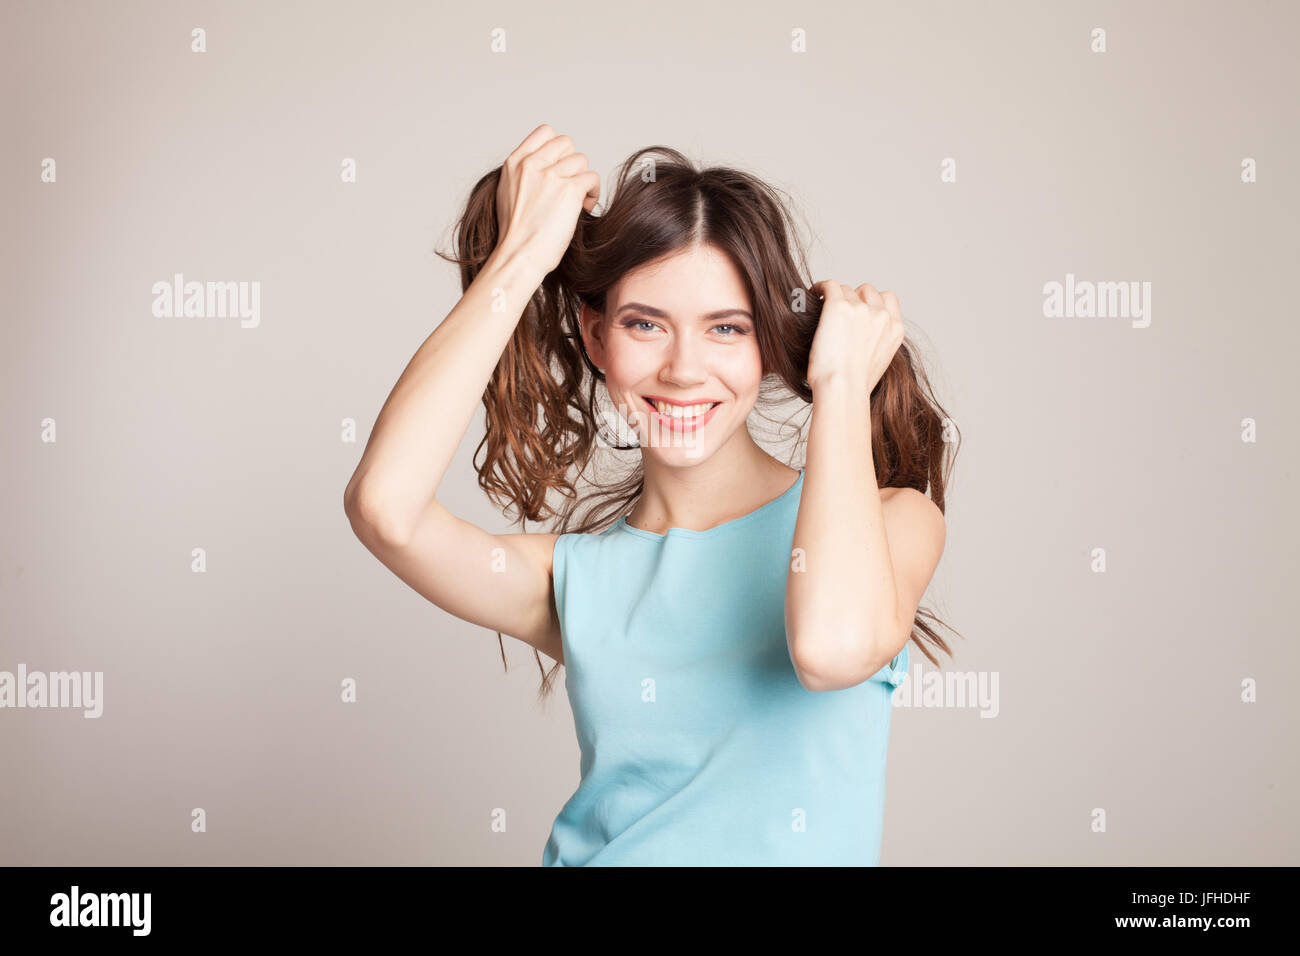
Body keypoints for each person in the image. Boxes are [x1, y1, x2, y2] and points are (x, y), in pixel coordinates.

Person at [344, 124, 960, 865]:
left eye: (727, 329)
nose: (683, 369)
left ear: (767, 341)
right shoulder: (572, 581)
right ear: (598, 340)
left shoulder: (895, 521)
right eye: (645, 325)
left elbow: (829, 649)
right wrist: (521, 256)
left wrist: (838, 389)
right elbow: (386, 508)